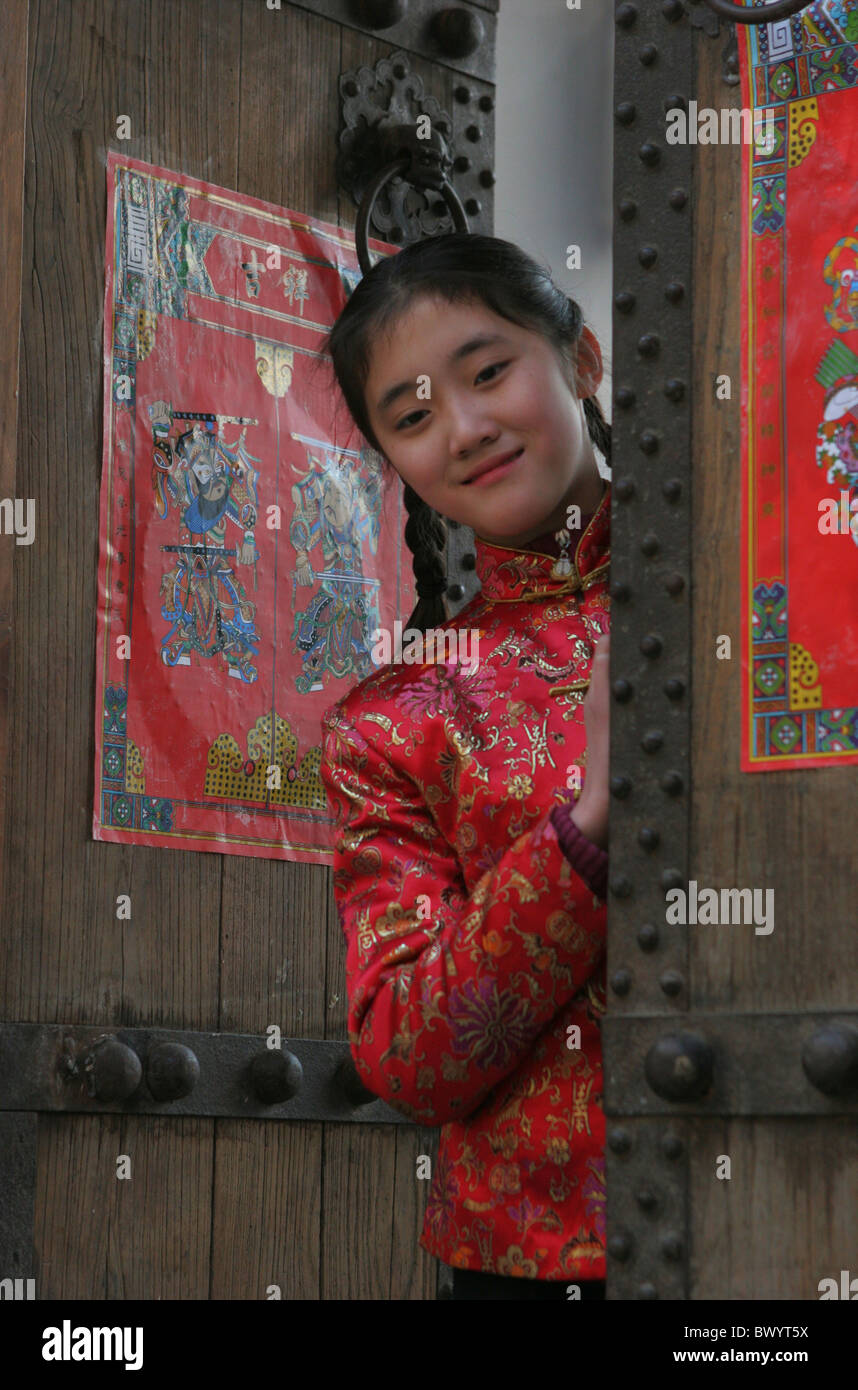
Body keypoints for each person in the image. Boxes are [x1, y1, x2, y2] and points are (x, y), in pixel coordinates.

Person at [319, 233, 611, 1301]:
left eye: (489, 372)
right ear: (393, 463)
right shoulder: (390, 724)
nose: (467, 427)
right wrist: (587, 832)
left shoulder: (760, 594)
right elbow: (404, 1055)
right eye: (412, 415)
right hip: (527, 1264)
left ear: (580, 360)